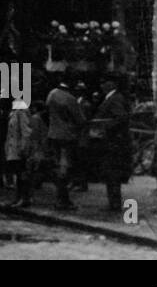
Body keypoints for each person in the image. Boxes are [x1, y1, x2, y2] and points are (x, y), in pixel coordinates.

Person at [87, 76, 133, 212]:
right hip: (113, 143)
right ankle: (113, 203)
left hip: (114, 144)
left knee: (112, 174)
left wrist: (104, 127)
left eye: (105, 82)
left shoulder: (114, 99)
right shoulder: (112, 98)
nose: (102, 86)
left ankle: (115, 204)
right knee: (111, 175)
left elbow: (121, 118)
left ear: (112, 84)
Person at [45, 81, 84, 211]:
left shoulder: (51, 94)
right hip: (67, 136)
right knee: (65, 168)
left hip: (53, 134)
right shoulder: (70, 98)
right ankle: (63, 200)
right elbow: (80, 119)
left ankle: (60, 198)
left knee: (58, 167)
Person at [3, 96, 33, 208]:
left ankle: (24, 198)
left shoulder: (22, 111)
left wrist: (24, 148)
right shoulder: (14, 112)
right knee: (18, 173)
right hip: (13, 148)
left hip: (19, 148)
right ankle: (18, 197)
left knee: (22, 174)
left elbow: (26, 132)